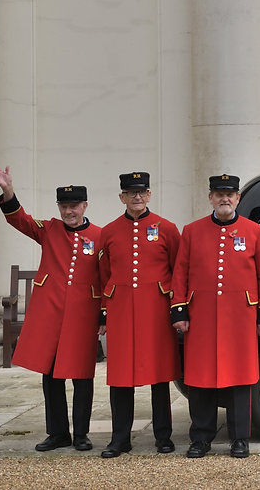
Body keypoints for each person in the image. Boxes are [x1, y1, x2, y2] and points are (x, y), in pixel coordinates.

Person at [0, 163, 102, 452]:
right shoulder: (49, 229)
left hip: (83, 316)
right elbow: (19, 219)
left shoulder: (100, 236)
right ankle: (58, 432)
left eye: (74, 206)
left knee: (82, 375)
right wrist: (7, 189)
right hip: (51, 317)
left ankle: (82, 434)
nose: (68, 211)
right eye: (64, 206)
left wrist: (104, 314)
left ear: (85, 205)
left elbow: (107, 277)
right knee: (51, 376)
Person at [171, 174, 260, 459]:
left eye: (230, 194)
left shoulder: (255, 233)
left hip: (240, 318)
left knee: (240, 378)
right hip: (201, 317)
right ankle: (201, 438)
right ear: (211, 198)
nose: (224, 199)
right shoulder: (192, 231)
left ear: (238, 198)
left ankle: (239, 438)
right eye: (219, 194)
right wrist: (179, 309)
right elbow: (180, 272)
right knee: (201, 377)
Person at [96, 171, 181, 457]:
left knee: (159, 375)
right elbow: (105, 274)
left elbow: (177, 270)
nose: (137, 197)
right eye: (131, 193)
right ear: (122, 197)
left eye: (142, 191)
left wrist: (177, 307)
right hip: (121, 312)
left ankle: (163, 436)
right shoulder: (108, 232)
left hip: (156, 312)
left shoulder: (167, 228)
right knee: (121, 376)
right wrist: (105, 311)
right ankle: (120, 438)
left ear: (149, 194)